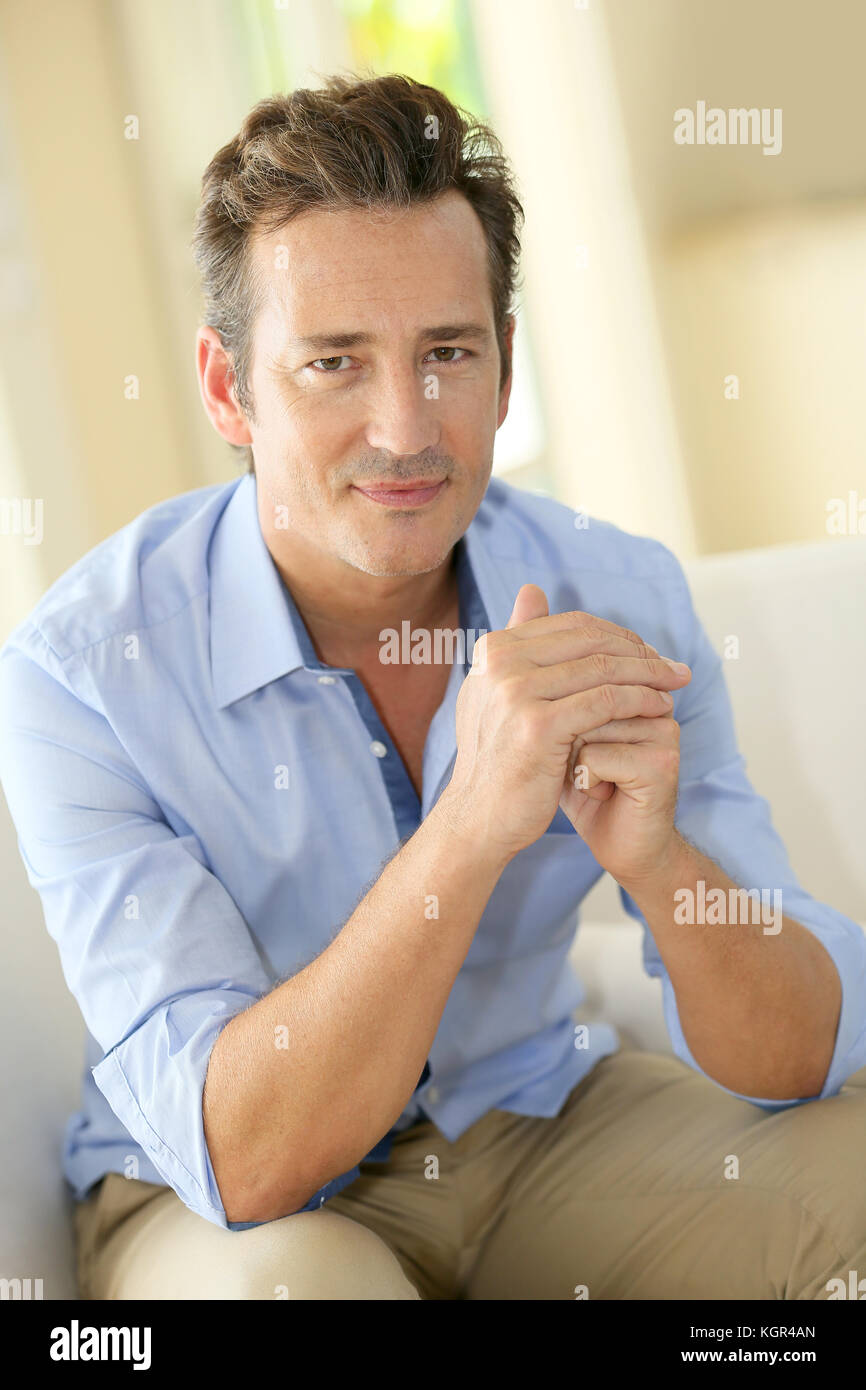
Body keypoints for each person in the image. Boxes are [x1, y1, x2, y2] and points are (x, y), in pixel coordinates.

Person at [1, 73, 864, 1302]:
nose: (404, 428)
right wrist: (469, 828)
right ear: (225, 387)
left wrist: (661, 864)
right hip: (235, 1208)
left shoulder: (615, 595)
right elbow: (242, 1160)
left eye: (445, 353)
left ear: (504, 375)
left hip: (532, 1129)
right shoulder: (84, 676)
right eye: (333, 364)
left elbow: (798, 1061)